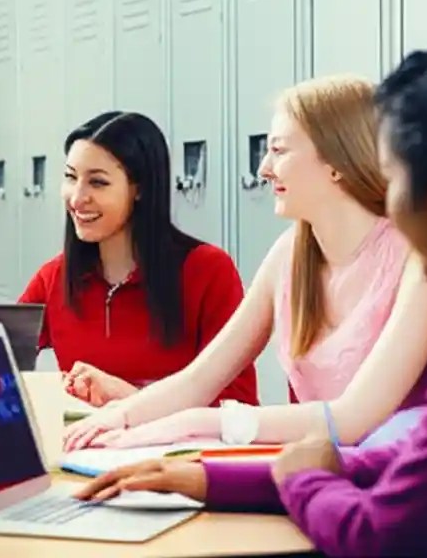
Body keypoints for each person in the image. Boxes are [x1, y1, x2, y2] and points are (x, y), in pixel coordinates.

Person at [76, 32, 427, 557]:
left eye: (393, 178)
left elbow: (382, 537)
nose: (389, 205)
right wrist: (211, 479)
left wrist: (301, 479)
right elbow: (413, 458)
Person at [64, 74, 427, 451]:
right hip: (327, 471)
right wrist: (120, 418)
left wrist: (202, 422)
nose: (263, 168)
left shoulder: (421, 261)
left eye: (279, 151)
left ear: (337, 162)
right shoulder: (289, 255)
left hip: (406, 476)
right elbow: (199, 380)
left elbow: (352, 420)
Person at [20, 111, 257, 408]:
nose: (77, 198)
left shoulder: (207, 271)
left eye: (98, 182)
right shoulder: (54, 277)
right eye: (71, 177)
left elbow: (238, 408)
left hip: (173, 440)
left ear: (140, 189)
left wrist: (130, 398)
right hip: (84, 438)